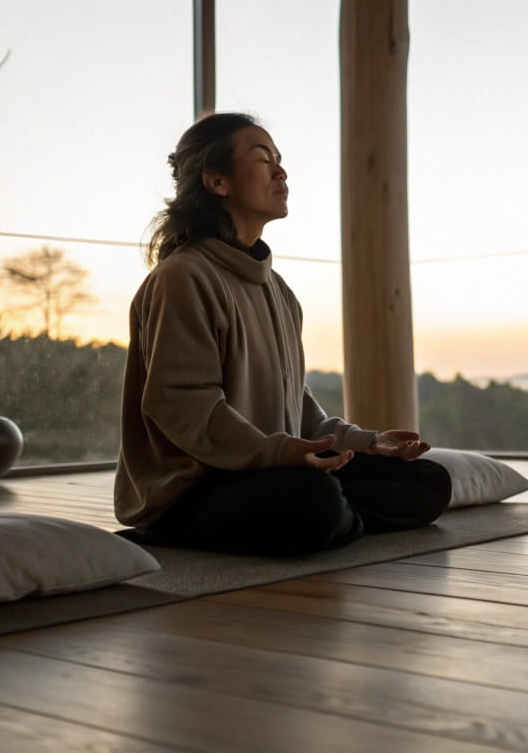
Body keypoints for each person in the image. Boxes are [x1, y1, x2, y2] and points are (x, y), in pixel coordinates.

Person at [115, 111, 451, 555]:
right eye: (263, 158)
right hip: (193, 489)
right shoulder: (183, 277)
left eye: (279, 157)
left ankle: (338, 520)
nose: (281, 171)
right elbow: (182, 406)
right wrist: (279, 454)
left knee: (429, 480)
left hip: (273, 468)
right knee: (311, 502)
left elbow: (300, 413)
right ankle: (330, 519)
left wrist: (368, 442)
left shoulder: (278, 290)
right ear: (217, 182)